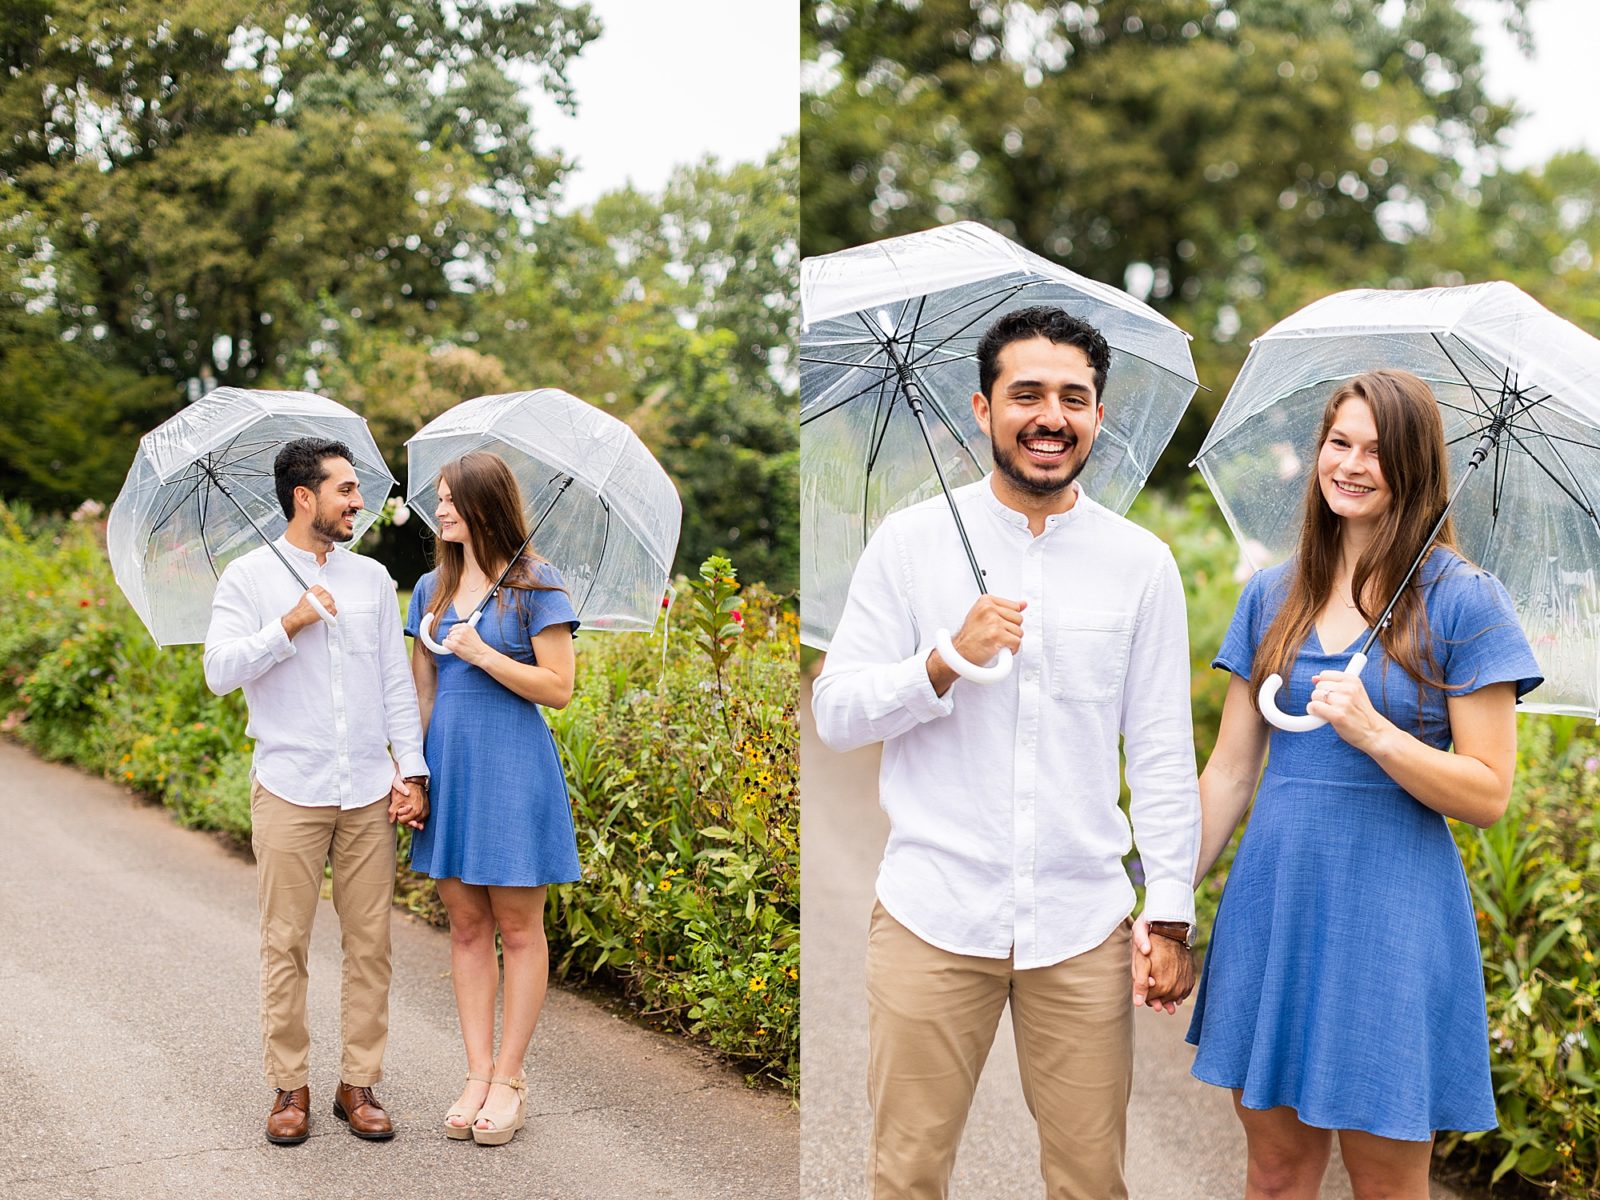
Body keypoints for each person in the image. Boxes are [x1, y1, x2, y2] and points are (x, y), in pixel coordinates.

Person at [812, 305, 1201, 1200]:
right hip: (931, 913)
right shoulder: (908, 545)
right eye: (1027, 393)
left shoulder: (1141, 564)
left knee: (1090, 1180)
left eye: (1075, 397)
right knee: (906, 1174)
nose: (1051, 416)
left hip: (1081, 924)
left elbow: (1162, 754)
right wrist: (947, 659)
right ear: (984, 409)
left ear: (1099, 417)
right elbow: (835, 714)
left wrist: (1170, 915)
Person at [1186, 369, 1543, 1199]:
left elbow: (1489, 792)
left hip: (1391, 914)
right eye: (1338, 443)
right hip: (1277, 905)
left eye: (1377, 451)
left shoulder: (1466, 603)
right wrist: (1165, 903)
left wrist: (1375, 733)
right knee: (1275, 1173)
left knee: (1386, 1183)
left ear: (1415, 466)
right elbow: (1232, 772)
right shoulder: (1274, 595)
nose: (1350, 465)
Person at [204, 437, 429, 1145]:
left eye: (358, 491)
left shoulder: (368, 578)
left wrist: (411, 768)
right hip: (290, 788)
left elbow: (395, 682)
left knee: (372, 945)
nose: (360, 503)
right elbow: (218, 670)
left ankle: (357, 1085)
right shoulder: (246, 579)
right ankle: (290, 1088)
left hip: (366, 788)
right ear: (305, 498)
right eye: (346, 491)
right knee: (286, 944)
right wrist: (288, 623)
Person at [405, 450, 581, 1146]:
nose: (440, 509)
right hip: (451, 765)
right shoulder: (429, 589)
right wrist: (413, 772)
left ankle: (510, 1079)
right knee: (467, 926)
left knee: (517, 926)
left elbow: (559, 689)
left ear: (484, 504)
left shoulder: (536, 584)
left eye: (450, 499)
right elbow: (422, 690)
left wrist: (485, 656)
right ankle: (476, 1073)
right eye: (439, 498)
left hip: (512, 765)